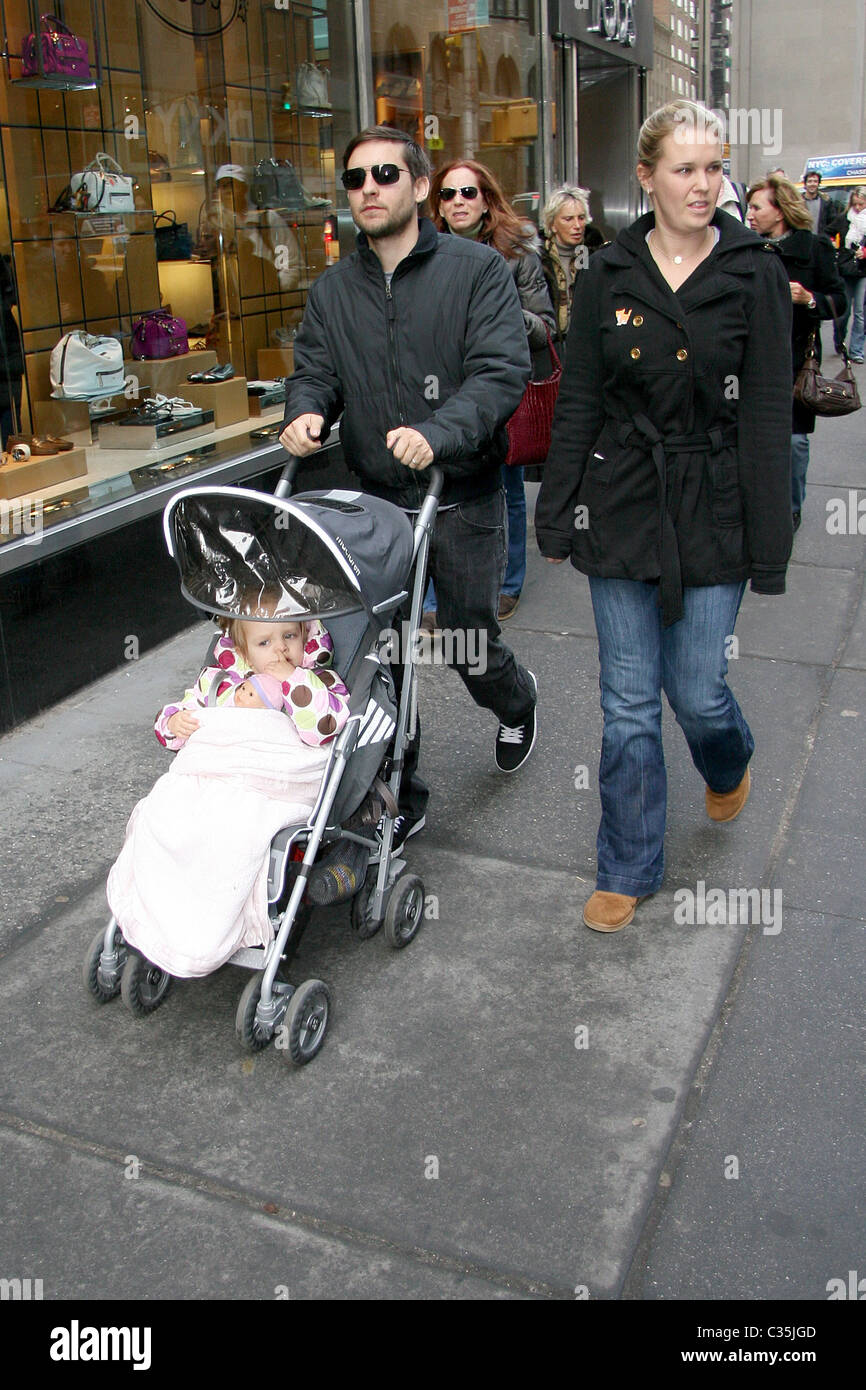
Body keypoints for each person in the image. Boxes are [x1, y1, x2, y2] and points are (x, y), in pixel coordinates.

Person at [536, 99, 794, 934]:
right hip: (623, 500)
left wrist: (772, 539)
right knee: (629, 701)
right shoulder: (610, 270)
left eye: (714, 167)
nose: (703, 184)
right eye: (684, 169)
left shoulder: (753, 270)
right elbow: (578, 398)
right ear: (645, 178)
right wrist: (558, 502)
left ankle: (729, 759)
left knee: (698, 691)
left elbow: (763, 412)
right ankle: (627, 864)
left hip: (715, 503)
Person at [280, 125, 538, 846]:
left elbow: (499, 372)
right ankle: (398, 792)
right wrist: (305, 412)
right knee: (380, 655)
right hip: (378, 505)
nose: (369, 190)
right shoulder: (335, 289)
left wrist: (440, 431)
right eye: (356, 180)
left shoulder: (477, 270)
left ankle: (516, 703)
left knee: (466, 643)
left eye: (385, 175)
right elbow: (318, 370)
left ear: (420, 187)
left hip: (461, 495)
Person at [428, 158, 555, 622]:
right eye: (448, 194)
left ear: (486, 201)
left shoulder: (516, 253)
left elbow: (545, 327)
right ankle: (434, 596)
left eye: (468, 193)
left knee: (507, 491)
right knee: (436, 490)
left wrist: (496, 309)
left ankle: (508, 582)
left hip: (498, 393)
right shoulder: (425, 251)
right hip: (440, 394)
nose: (458, 201)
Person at [746, 172, 847, 530]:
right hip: (750, 360)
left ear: (780, 210)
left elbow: (839, 301)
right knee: (752, 436)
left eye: (757, 207)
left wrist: (809, 299)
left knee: (793, 442)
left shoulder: (815, 248)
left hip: (795, 360)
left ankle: (789, 508)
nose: (751, 214)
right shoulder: (747, 248)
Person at [155, 616, 350, 750]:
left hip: (277, 781)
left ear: (304, 636)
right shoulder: (218, 683)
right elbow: (184, 713)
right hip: (220, 771)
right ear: (244, 654)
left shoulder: (322, 681)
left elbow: (323, 729)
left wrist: (294, 680)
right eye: (264, 642)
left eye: (289, 636)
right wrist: (173, 724)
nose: (280, 648)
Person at [539, 185, 605, 359]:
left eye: (581, 218)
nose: (577, 226)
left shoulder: (596, 254)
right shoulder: (535, 258)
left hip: (588, 350)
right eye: (568, 219)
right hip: (547, 351)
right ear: (552, 225)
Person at [829, 187, 866, 361]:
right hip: (845, 269)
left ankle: (857, 351)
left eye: (861, 204)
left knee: (859, 312)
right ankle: (839, 339)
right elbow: (827, 232)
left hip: (863, 270)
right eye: (855, 204)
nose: (858, 207)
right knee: (843, 311)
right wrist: (832, 247)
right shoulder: (844, 219)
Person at [801, 169, 835, 237]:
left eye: (815, 181)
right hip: (802, 240)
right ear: (805, 184)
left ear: (818, 184)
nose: (812, 184)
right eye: (809, 181)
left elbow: (832, 222)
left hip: (819, 241)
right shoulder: (797, 201)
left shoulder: (826, 201)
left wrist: (825, 237)